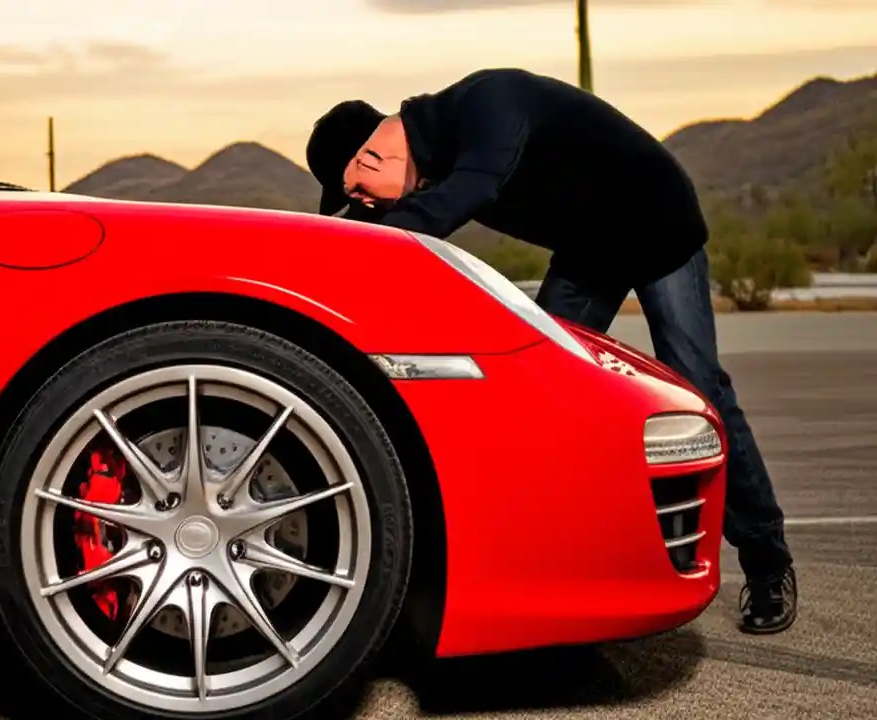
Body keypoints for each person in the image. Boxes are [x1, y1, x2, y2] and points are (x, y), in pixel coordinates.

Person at [305, 67, 797, 634]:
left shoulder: (488, 102)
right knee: (542, 383)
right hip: (591, 248)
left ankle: (767, 563)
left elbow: (478, 185)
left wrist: (369, 250)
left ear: (371, 155)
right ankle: (552, 564)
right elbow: (416, 224)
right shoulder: (431, 170)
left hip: (659, 223)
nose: (365, 205)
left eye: (359, 190)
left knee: (699, 384)